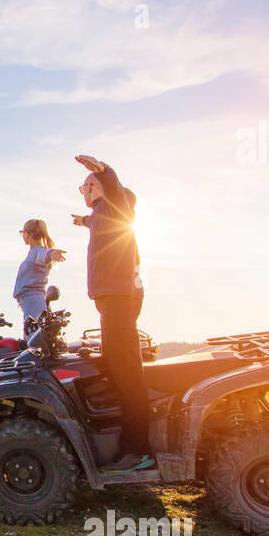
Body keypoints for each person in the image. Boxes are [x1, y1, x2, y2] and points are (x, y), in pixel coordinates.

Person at [71, 155, 152, 473]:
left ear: (105, 188)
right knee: (115, 366)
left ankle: (139, 451)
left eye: (89, 185)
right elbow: (96, 220)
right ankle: (117, 438)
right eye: (83, 187)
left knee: (128, 373)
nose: (85, 189)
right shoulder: (102, 214)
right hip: (111, 301)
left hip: (119, 299)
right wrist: (82, 220)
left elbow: (117, 195)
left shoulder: (117, 205)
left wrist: (104, 170)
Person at [13, 219, 66, 328]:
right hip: (31, 301)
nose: (22, 236)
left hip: (33, 300)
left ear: (27, 234)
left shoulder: (37, 251)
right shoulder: (34, 252)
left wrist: (52, 253)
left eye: (22, 233)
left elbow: (44, 255)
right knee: (31, 337)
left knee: (34, 338)